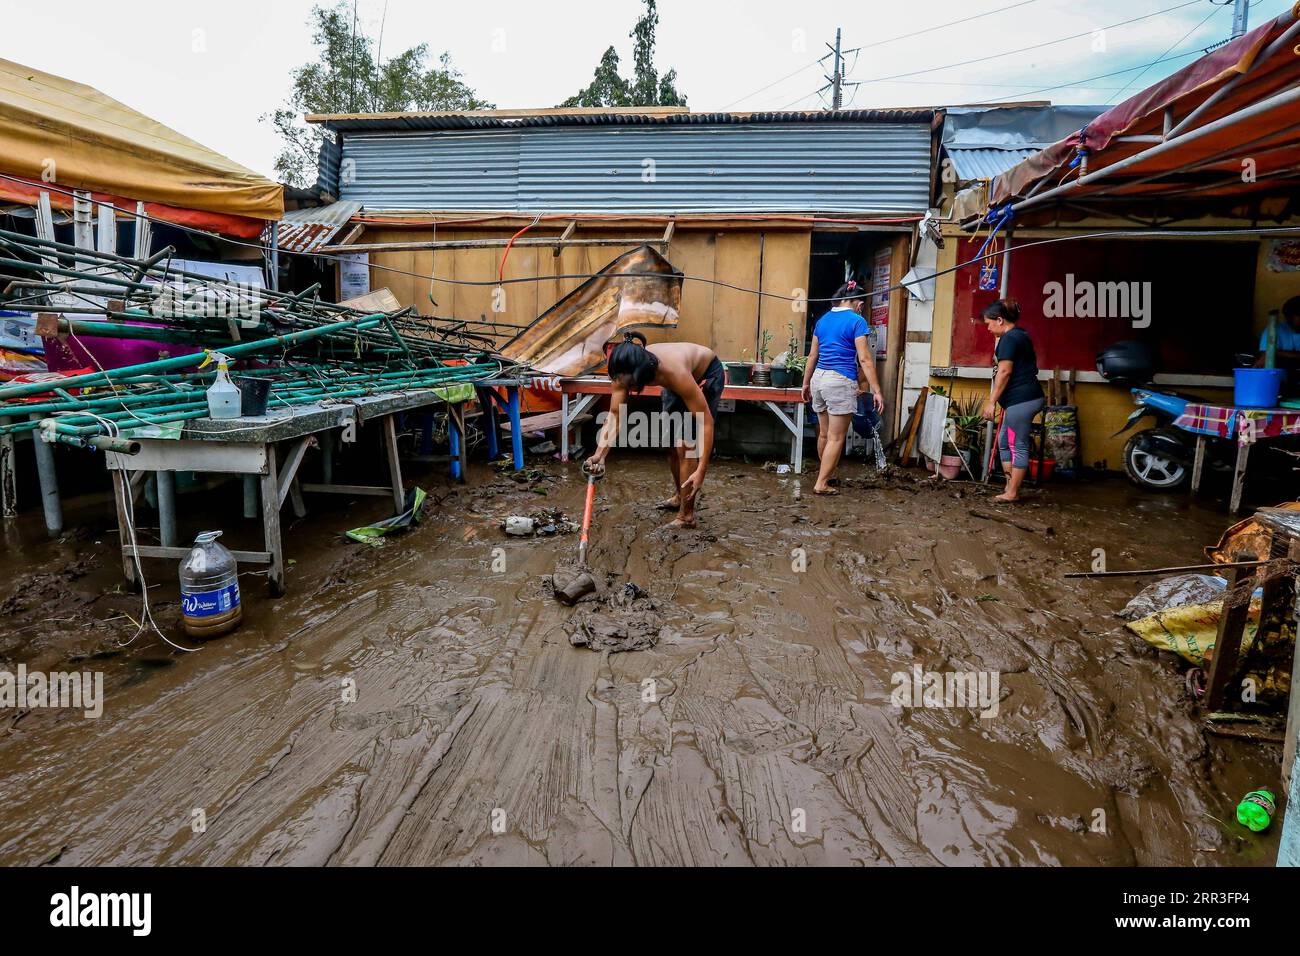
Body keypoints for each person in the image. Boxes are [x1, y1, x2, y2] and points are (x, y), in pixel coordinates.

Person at [584, 331, 722, 528]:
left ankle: (687, 516)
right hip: (677, 384)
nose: (626, 388)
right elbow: (615, 415)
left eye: (630, 384)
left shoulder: (673, 372)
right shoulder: (623, 370)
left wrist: (702, 469)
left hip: (705, 374)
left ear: (641, 376)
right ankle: (679, 496)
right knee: (670, 446)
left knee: (686, 447)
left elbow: (706, 422)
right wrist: (600, 454)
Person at [800, 279, 885, 495]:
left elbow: (812, 355)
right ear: (856, 302)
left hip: (819, 378)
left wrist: (805, 383)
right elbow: (865, 359)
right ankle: (821, 482)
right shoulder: (857, 321)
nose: (861, 309)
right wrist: (877, 390)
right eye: (862, 305)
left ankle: (825, 474)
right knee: (837, 437)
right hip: (839, 380)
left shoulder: (823, 320)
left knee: (824, 435)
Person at [980, 298, 1045, 503]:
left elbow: (1005, 371)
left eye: (989, 324)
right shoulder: (1020, 335)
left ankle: (1012, 492)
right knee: (1004, 443)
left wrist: (991, 401)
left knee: (1018, 445)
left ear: (1000, 320)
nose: (988, 328)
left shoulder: (1010, 339)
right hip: (1020, 401)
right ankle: (1009, 486)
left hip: (1022, 400)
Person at [1254, 295, 1300, 386]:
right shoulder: (1274, 329)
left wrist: (1276, 352)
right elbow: (1266, 355)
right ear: (1289, 316)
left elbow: (1270, 352)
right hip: (1280, 382)